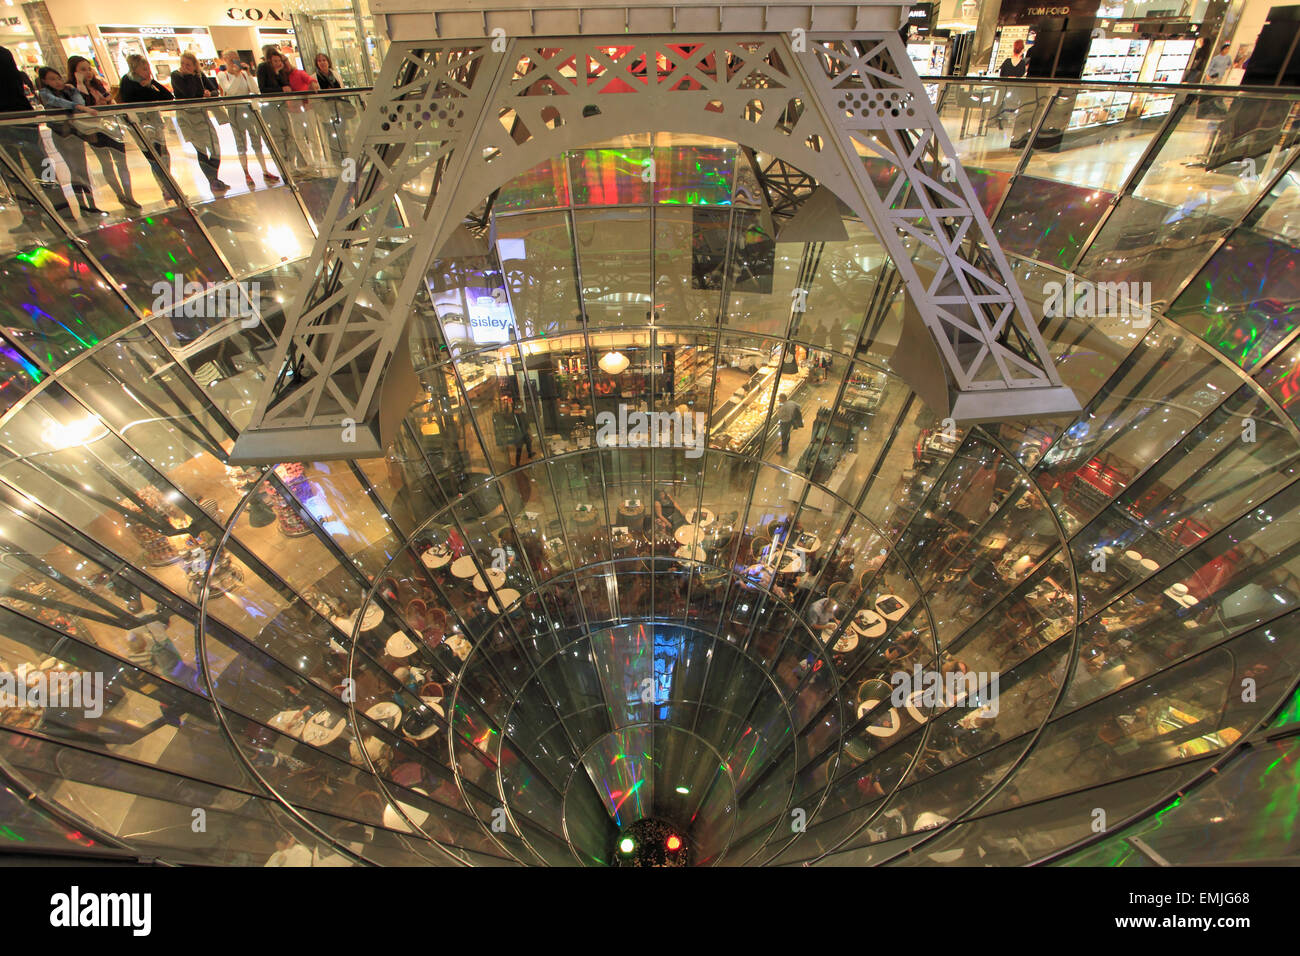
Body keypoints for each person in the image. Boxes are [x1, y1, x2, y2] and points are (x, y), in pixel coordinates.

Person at [66, 56, 139, 209]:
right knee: (107, 164)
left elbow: (110, 100)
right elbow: (80, 104)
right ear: (74, 72)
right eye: (82, 70)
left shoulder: (97, 85)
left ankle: (129, 195)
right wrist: (80, 84)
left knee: (122, 163)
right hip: (95, 130)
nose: (88, 72)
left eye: (88, 68)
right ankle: (120, 195)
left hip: (110, 126)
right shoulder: (73, 89)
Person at [35, 66, 104, 216]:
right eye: (52, 79)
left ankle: (91, 204)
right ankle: (81, 204)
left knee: (83, 169)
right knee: (73, 170)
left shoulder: (68, 91)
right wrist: (78, 106)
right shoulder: (45, 93)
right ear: (44, 81)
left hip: (75, 132)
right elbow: (59, 102)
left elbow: (80, 102)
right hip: (61, 133)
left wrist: (74, 91)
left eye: (59, 78)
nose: (57, 82)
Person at [117, 54, 178, 198]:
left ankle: (169, 186)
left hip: (155, 123)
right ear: (135, 69)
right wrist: (148, 88)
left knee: (164, 155)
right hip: (141, 126)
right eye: (144, 68)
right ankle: (165, 188)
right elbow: (136, 98)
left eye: (148, 68)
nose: (147, 71)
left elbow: (168, 97)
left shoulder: (148, 82)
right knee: (154, 156)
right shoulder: (128, 82)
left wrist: (153, 83)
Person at [216, 49, 278, 187]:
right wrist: (237, 74)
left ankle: (265, 170)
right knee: (241, 143)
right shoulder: (222, 75)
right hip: (234, 111)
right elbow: (230, 91)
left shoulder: (244, 74)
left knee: (256, 140)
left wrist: (248, 74)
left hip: (249, 110)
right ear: (224, 59)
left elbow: (255, 90)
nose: (233, 61)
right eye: (230, 58)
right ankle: (246, 173)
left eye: (235, 58)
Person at [171, 51, 228, 194]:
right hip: (188, 118)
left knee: (215, 148)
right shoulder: (177, 76)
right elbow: (188, 94)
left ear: (195, 65)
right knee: (201, 149)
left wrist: (209, 93)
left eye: (188, 65)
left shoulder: (200, 76)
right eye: (183, 64)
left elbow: (215, 91)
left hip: (202, 116)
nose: (185, 67)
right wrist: (190, 76)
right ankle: (213, 181)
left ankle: (214, 179)